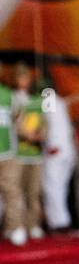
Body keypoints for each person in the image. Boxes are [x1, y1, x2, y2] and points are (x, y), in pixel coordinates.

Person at [11, 62, 46, 242]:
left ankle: (34, 224)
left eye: (26, 77)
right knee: (17, 193)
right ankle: (18, 225)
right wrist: (27, 134)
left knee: (34, 193)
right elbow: (11, 124)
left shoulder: (39, 100)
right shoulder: (12, 98)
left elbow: (47, 121)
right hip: (18, 154)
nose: (24, 80)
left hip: (36, 155)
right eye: (20, 77)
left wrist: (41, 135)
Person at [38, 80, 76, 234]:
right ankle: (62, 220)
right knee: (61, 187)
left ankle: (58, 223)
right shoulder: (61, 102)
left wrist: (50, 145)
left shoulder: (49, 101)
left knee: (52, 187)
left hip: (55, 150)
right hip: (67, 150)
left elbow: (50, 125)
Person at [0, 72, 19, 244]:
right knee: (11, 192)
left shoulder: (10, 95)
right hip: (7, 151)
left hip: (7, 152)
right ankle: (14, 229)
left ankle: (13, 229)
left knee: (11, 192)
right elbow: (16, 117)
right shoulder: (9, 95)